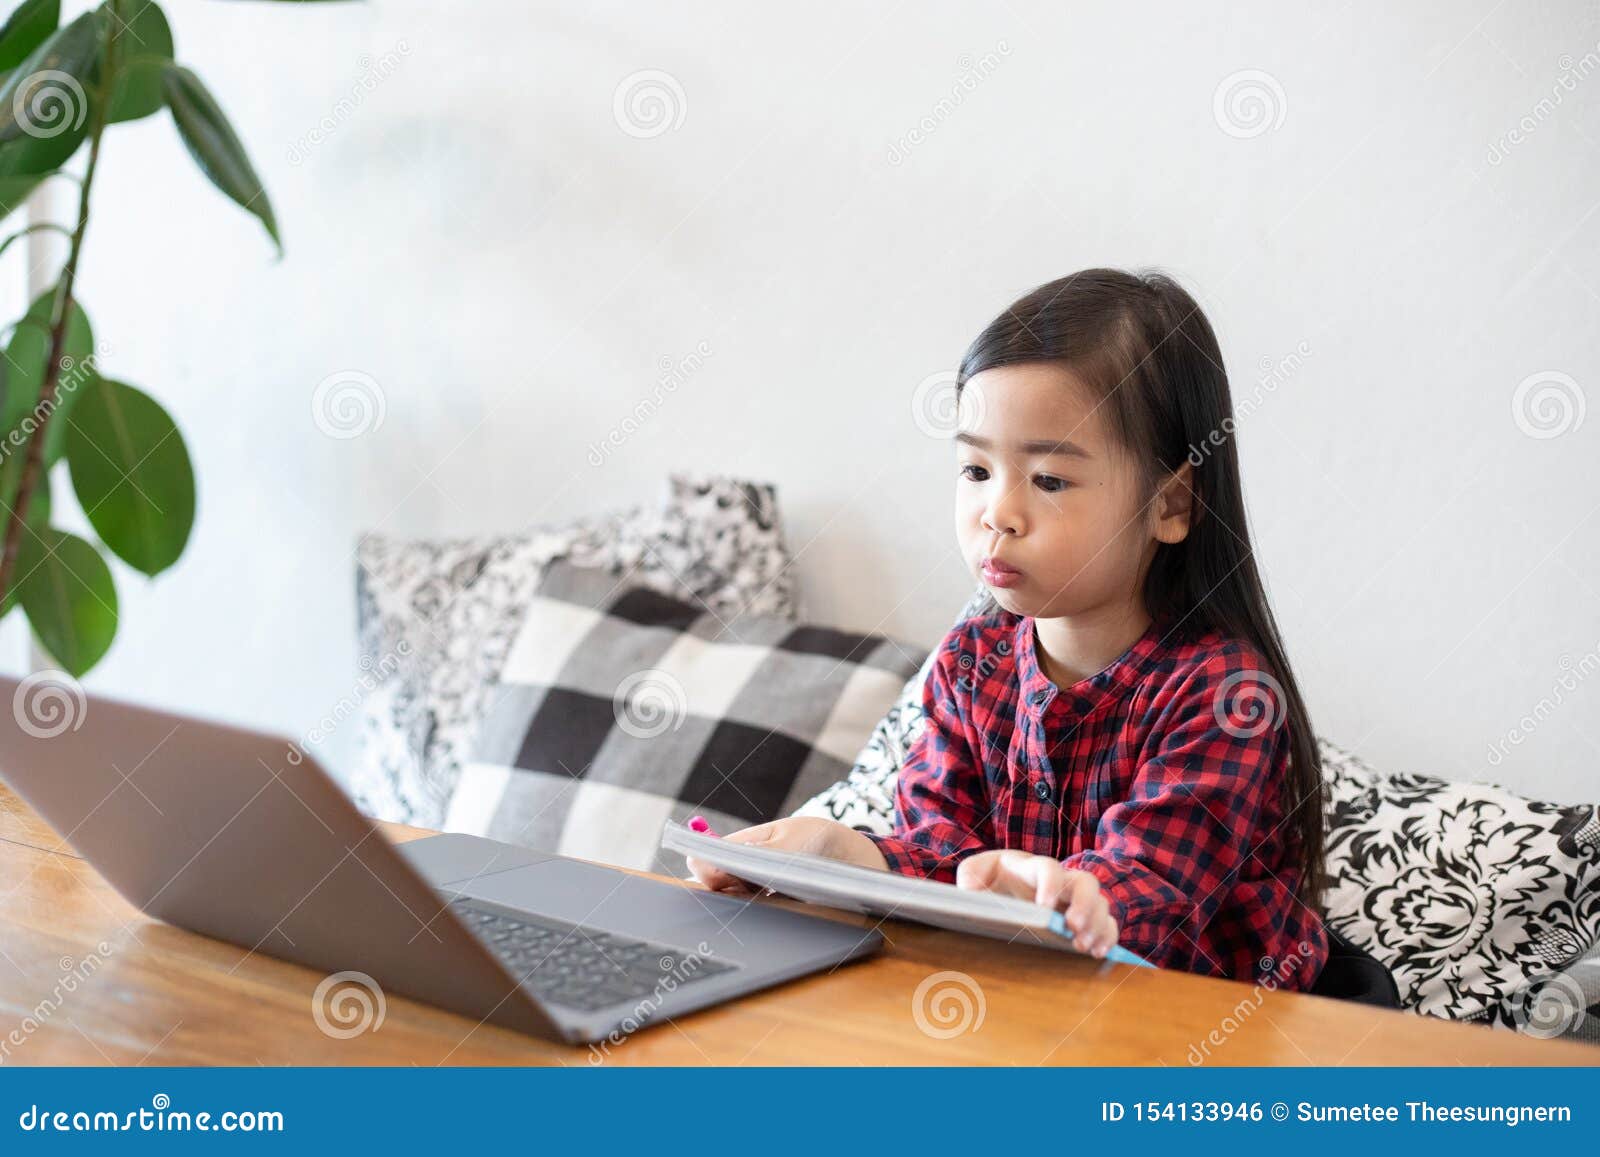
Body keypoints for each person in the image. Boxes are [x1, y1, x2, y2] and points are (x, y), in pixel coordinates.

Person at [688, 269, 1329, 989]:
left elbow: (1153, 893)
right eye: (975, 468)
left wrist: (1068, 899)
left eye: (1049, 480)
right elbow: (939, 848)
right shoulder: (973, 658)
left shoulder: (1223, 695)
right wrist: (844, 854)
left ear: (1170, 504)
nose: (998, 512)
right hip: (1035, 1004)